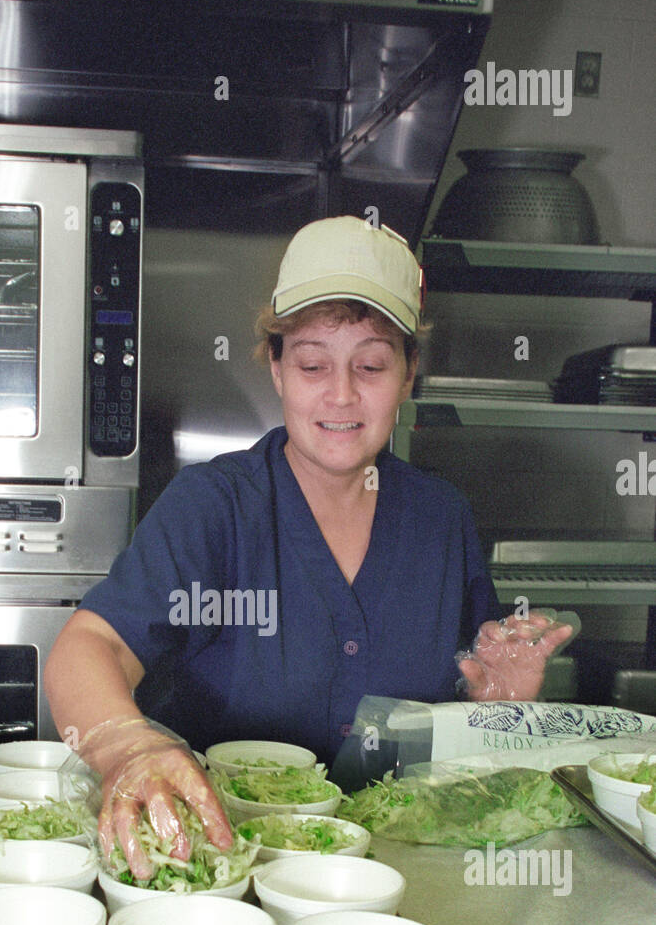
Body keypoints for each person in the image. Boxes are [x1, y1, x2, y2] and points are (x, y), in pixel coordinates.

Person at [45, 216, 572, 877]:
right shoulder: (215, 506)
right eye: (313, 363)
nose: (341, 394)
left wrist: (490, 708)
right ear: (277, 368)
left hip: (388, 881)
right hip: (216, 871)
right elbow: (91, 647)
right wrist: (126, 746)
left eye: (372, 364)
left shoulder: (441, 519)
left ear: (409, 374)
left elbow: (450, 712)